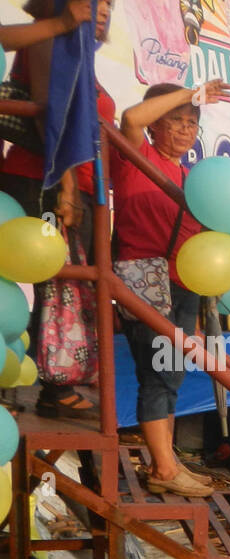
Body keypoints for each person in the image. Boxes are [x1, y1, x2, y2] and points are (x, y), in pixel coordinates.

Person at [114, 78, 230, 498]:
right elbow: (130, 118)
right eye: (175, 121)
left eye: (192, 123)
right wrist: (192, 92)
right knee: (157, 376)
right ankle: (164, 468)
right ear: (155, 126)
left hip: (183, 287)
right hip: (143, 277)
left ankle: (164, 463)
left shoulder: (190, 178)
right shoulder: (136, 155)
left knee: (171, 376)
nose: (185, 129)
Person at [0, 0, 112, 418]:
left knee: (62, 281)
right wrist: (65, 186)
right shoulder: (50, 37)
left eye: (108, 7)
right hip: (42, 183)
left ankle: (51, 380)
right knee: (51, 277)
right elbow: (53, 112)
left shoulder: (75, 45)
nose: (103, 12)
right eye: (95, 4)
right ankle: (50, 382)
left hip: (68, 184)